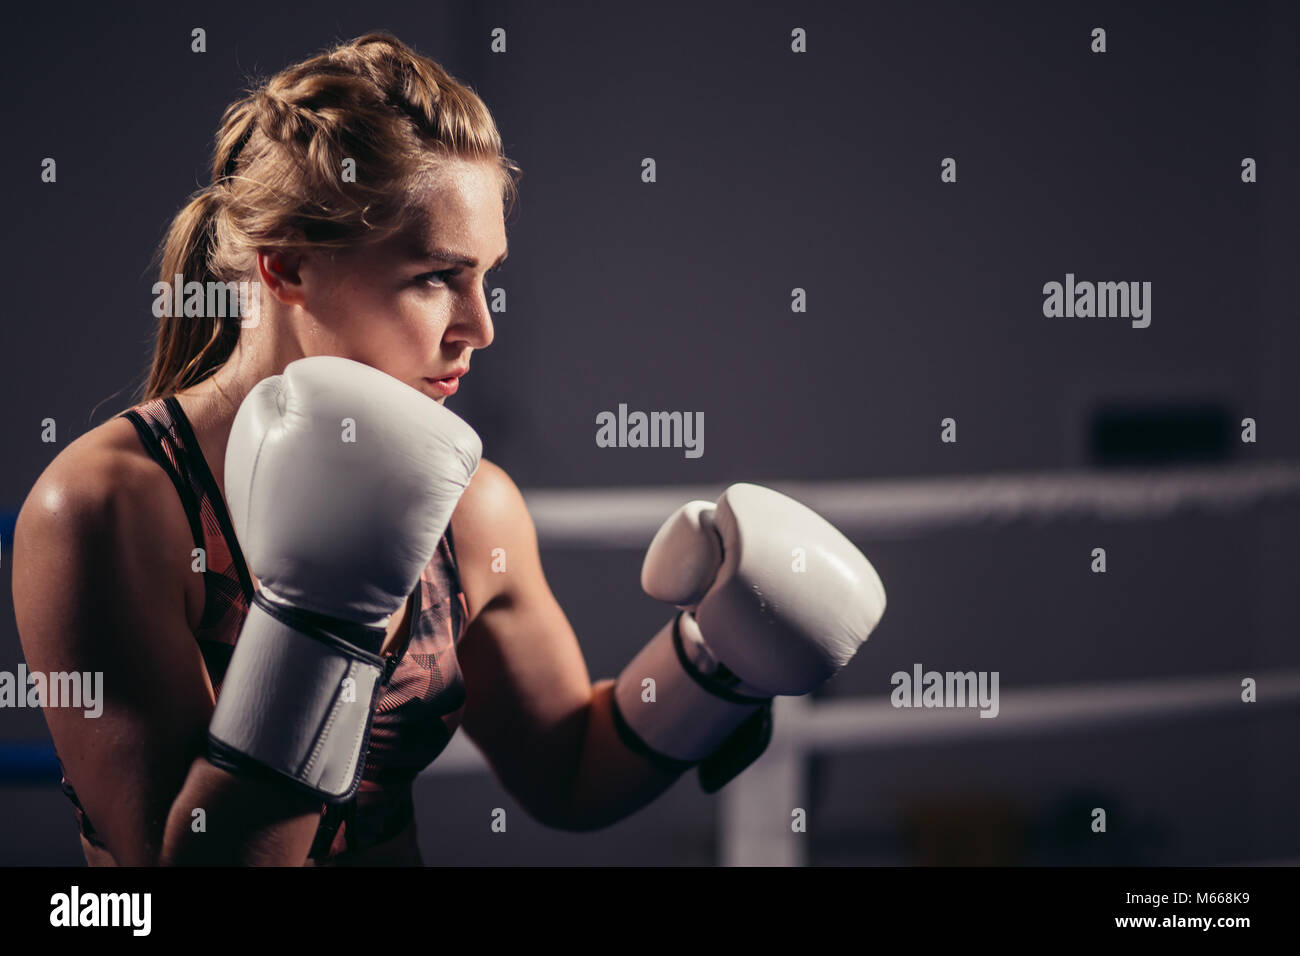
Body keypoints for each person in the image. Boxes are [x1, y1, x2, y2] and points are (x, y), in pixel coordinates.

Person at [10, 32, 885, 866]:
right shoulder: (109, 507)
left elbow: (570, 772)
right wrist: (321, 625)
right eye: (436, 278)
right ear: (285, 266)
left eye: (487, 276)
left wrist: (712, 665)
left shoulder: (472, 507)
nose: (480, 327)